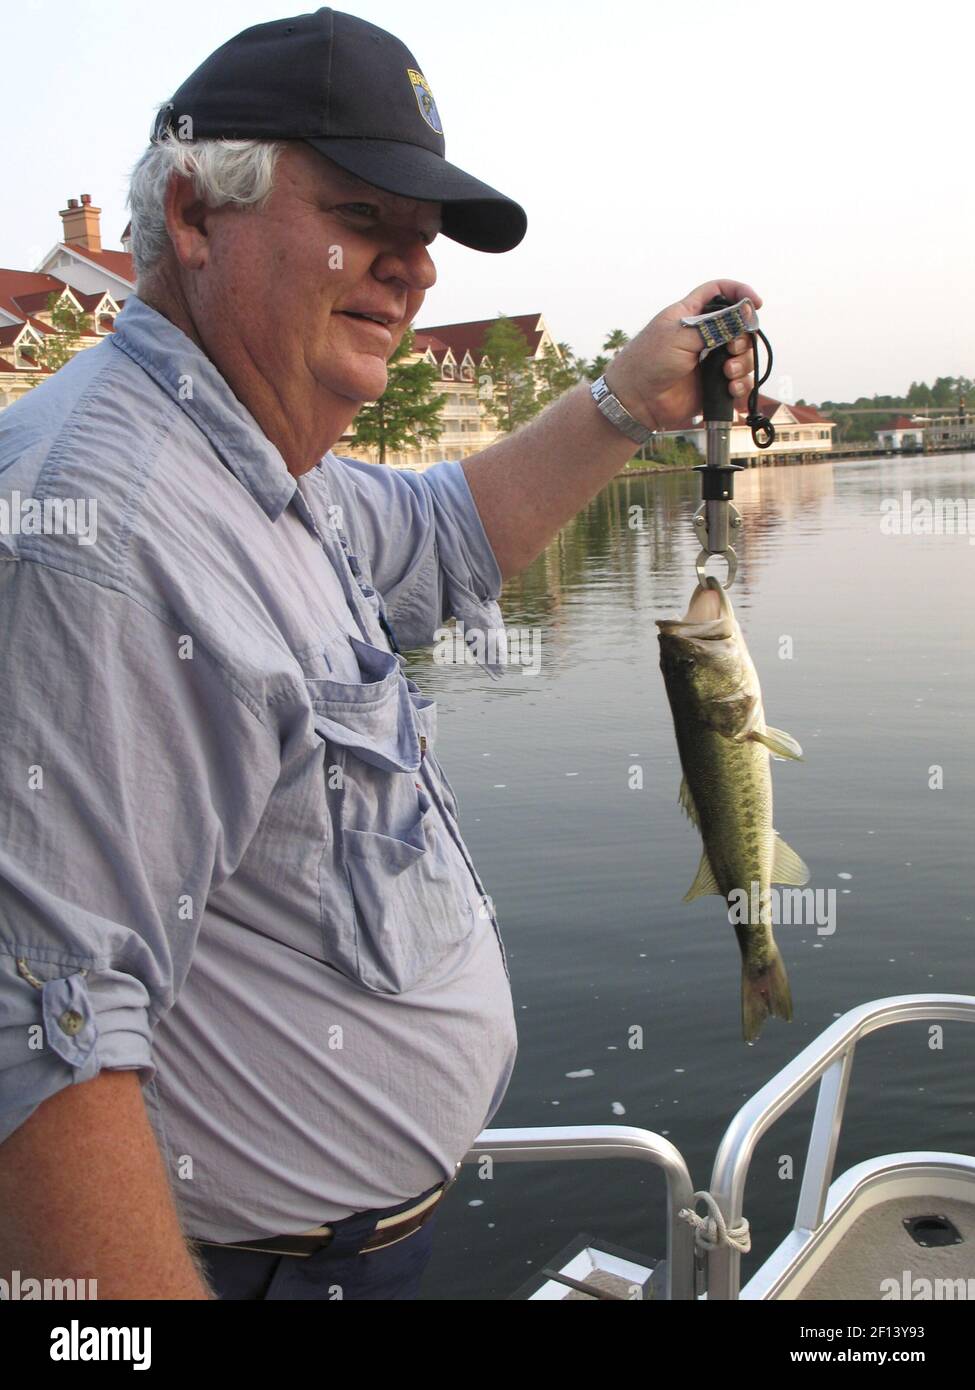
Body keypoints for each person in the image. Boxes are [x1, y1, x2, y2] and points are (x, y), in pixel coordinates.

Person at [0, 7, 757, 1300]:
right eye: (363, 214)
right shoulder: (106, 535)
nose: (414, 269)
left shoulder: (263, 461)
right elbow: (36, 1046)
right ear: (195, 215)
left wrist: (631, 400)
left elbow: (450, 532)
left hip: (359, 1245)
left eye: (424, 237)